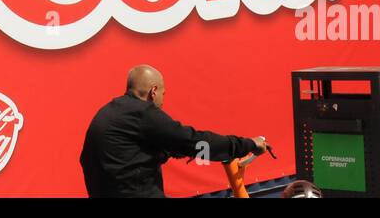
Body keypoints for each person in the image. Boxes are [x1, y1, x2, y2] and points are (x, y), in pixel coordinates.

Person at [79, 64, 267, 198]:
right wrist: (247, 145)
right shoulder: (143, 113)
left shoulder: (111, 111)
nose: (162, 100)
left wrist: (172, 151)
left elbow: (131, 152)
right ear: (153, 91)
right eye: (163, 94)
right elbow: (194, 141)